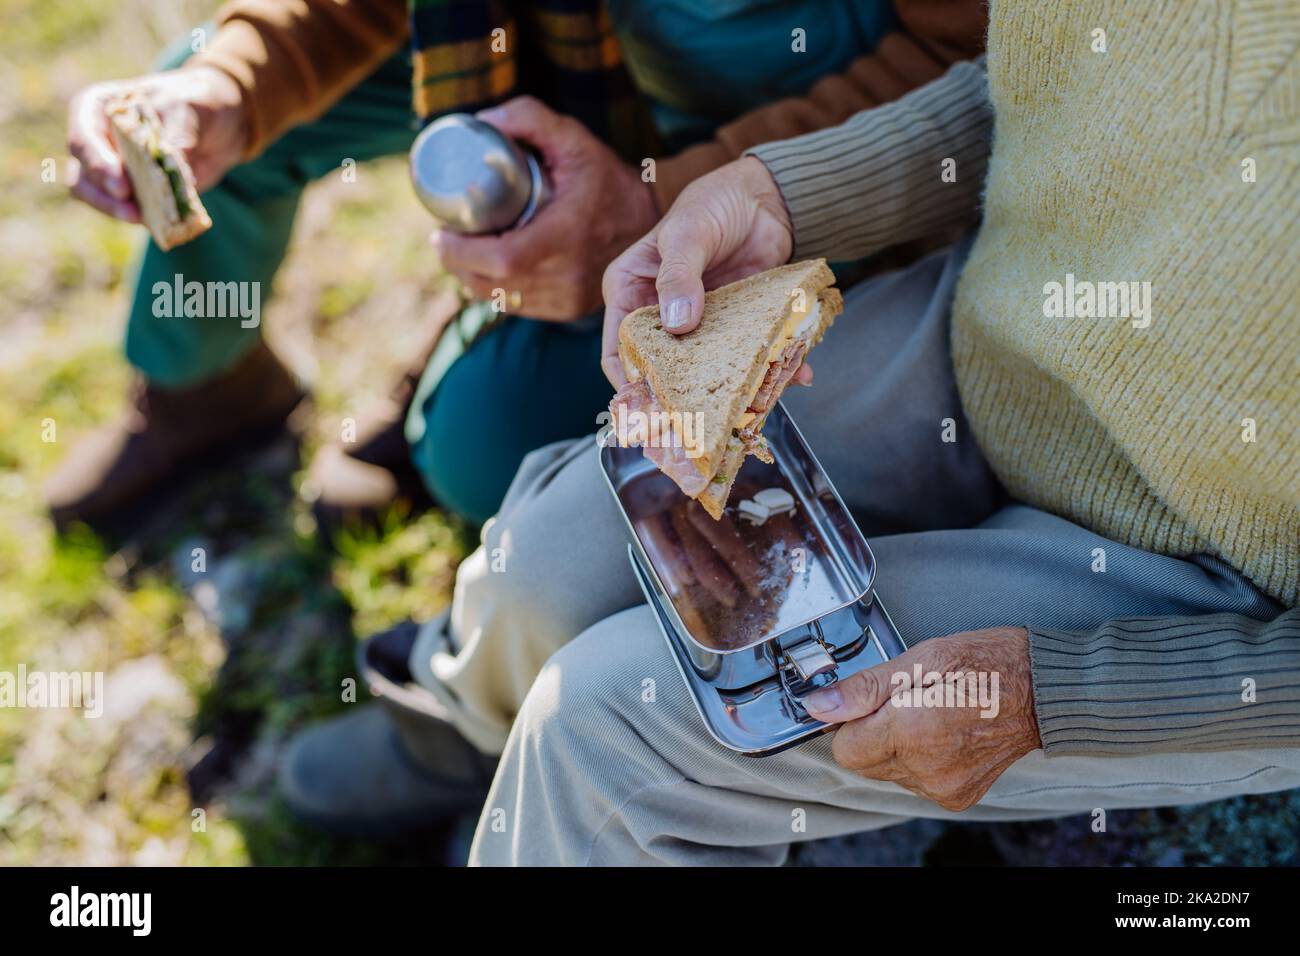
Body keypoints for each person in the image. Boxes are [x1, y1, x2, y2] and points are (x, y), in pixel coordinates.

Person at [281, 0, 1300, 862]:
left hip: (1205, 566)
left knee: (607, 728)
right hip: (986, 330)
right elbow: (1041, 82)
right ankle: (461, 728)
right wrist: (782, 194)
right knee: (547, 550)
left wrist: (1064, 699)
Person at [52, 0, 985, 530]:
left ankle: (460, 364)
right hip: (565, 46)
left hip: (794, 158)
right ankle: (205, 390)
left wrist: (665, 200)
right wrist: (227, 87)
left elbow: (970, 61)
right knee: (214, 99)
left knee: (483, 444)